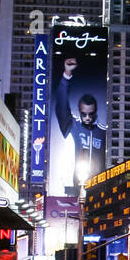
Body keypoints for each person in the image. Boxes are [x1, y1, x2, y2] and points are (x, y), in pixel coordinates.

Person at [52, 56, 107, 192]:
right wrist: (66, 75)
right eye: (84, 114)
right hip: (73, 186)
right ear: (79, 112)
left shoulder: (103, 132)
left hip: (97, 188)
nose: (87, 118)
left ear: (95, 112)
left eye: (91, 114)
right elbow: (61, 107)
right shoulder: (73, 126)